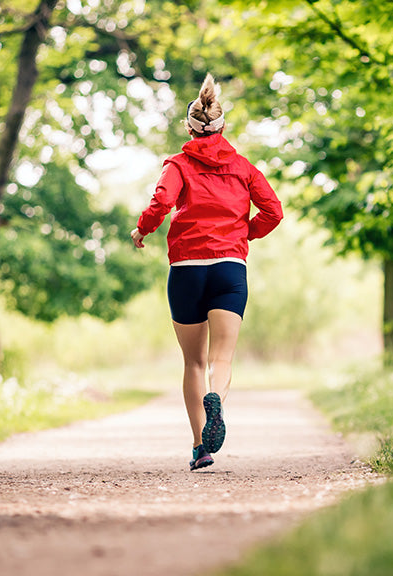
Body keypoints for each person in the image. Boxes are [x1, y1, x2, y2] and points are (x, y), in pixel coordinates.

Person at [130, 73, 283, 471]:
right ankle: (218, 400)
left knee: (192, 362)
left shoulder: (178, 164)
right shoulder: (244, 167)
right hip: (230, 268)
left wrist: (142, 229)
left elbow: (161, 201)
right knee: (222, 359)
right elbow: (274, 210)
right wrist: (242, 234)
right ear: (222, 125)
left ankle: (201, 446)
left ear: (189, 127)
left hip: (187, 269)